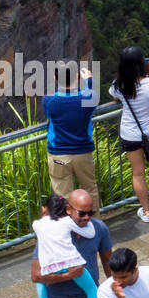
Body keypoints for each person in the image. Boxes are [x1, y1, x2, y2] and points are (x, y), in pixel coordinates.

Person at [108, 46, 149, 223]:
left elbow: (115, 97)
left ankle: (147, 211)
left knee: (138, 173)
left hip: (129, 133)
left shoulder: (118, 85)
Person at [30, 189, 112, 298]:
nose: (87, 217)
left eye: (91, 213)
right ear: (68, 209)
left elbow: (107, 261)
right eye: (82, 213)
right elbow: (36, 277)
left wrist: (114, 290)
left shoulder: (99, 227)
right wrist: (69, 275)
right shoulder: (50, 234)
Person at [43, 63, 98, 207]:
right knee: (90, 191)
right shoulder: (88, 99)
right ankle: (95, 227)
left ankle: (67, 229)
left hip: (59, 154)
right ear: (76, 76)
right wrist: (89, 81)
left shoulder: (49, 101)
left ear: (55, 78)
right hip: (83, 153)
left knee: (62, 197)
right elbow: (91, 93)